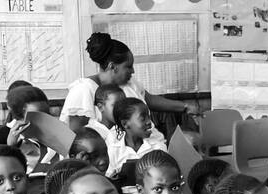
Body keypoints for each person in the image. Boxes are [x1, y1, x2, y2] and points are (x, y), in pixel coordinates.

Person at [61, 33, 194, 136]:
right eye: (128, 67)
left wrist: (185, 107)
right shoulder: (84, 90)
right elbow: (75, 136)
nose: (133, 71)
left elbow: (149, 99)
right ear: (113, 67)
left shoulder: (128, 84)